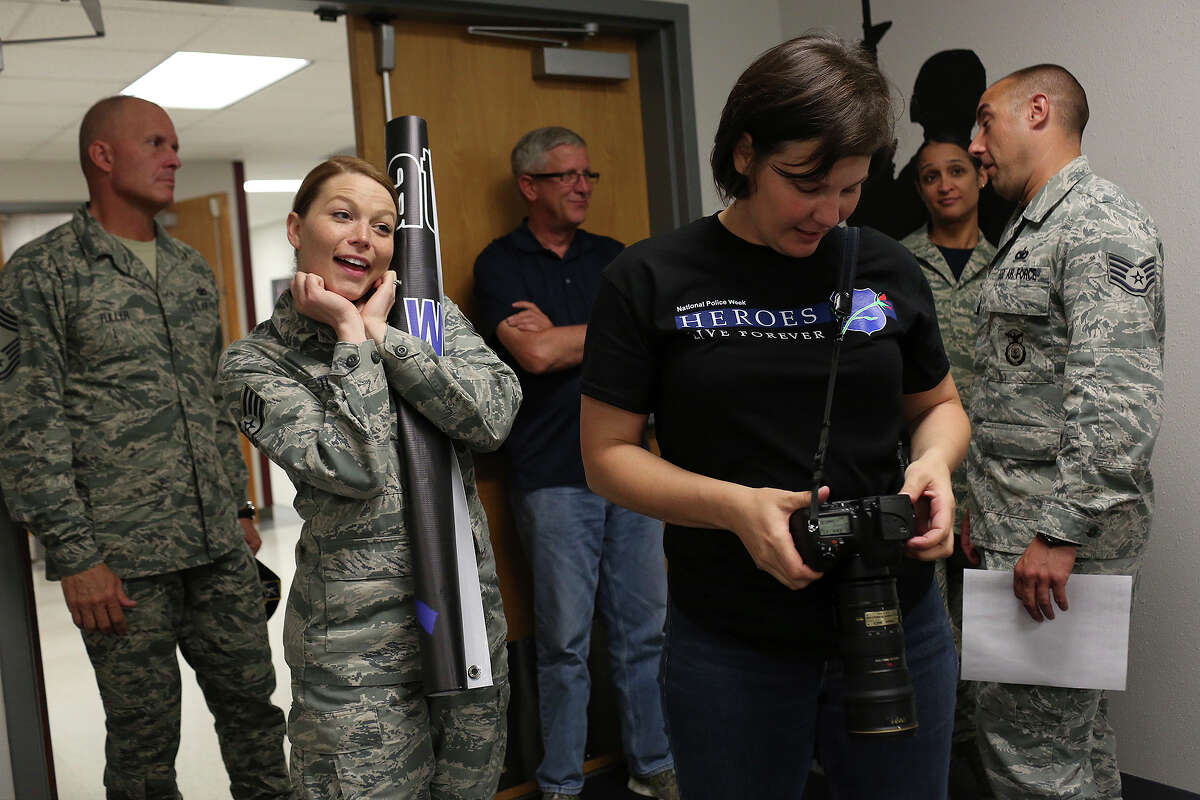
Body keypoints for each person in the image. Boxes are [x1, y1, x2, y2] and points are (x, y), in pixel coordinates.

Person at [578, 34, 969, 799]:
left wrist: (932, 466)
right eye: (805, 182)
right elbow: (607, 455)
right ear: (748, 152)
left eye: (851, 188)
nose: (829, 211)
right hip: (732, 642)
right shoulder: (649, 279)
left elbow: (940, 407)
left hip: (895, 621)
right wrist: (732, 508)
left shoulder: (884, 265)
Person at [0, 96, 291, 799]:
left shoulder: (191, 269)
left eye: (175, 144)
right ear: (103, 156)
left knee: (257, 716)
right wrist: (75, 556)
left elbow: (214, 400)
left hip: (218, 547)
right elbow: (25, 422)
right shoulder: (43, 273)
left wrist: (243, 505)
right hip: (124, 563)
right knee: (143, 746)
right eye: (157, 144)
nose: (175, 158)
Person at [218, 156, 520, 800]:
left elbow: (492, 420)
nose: (365, 236)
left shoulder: (429, 319)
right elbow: (354, 466)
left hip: (464, 628)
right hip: (357, 656)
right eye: (344, 215)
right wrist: (354, 337)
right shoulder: (255, 364)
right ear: (297, 229)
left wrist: (392, 339)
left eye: (384, 227)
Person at [966, 65, 1164, 800]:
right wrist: (984, 517)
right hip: (1019, 530)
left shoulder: (1097, 223)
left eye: (986, 120)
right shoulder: (1036, 226)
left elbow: (1117, 397)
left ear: (1039, 111)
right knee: (1072, 751)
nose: (973, 143)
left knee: (1031, 764)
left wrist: (1059, 530)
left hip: (1052, 547)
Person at [472, 127, 677, 800]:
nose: (583, 186)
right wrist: (602, 338)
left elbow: (653, 346)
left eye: (588, 174)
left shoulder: (618, 260)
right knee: (561, 644)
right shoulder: (500, 265)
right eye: (566, 176)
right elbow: (532, 358)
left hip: (634, 471)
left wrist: (565, 336)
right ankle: (560, 782)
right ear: (530, 185)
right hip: (553, 476)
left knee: (645, 631)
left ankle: (653, 764)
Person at [899, 132, 997, 797]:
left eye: (957, 170)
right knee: (933, 640)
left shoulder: (1016, 260)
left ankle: (986, 766)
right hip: (924, 478)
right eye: (930, 175)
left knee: (1000, 647)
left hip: (1000, 483)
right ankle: (942, 764)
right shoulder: (896, 266)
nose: (945, 185)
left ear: (980, 177)